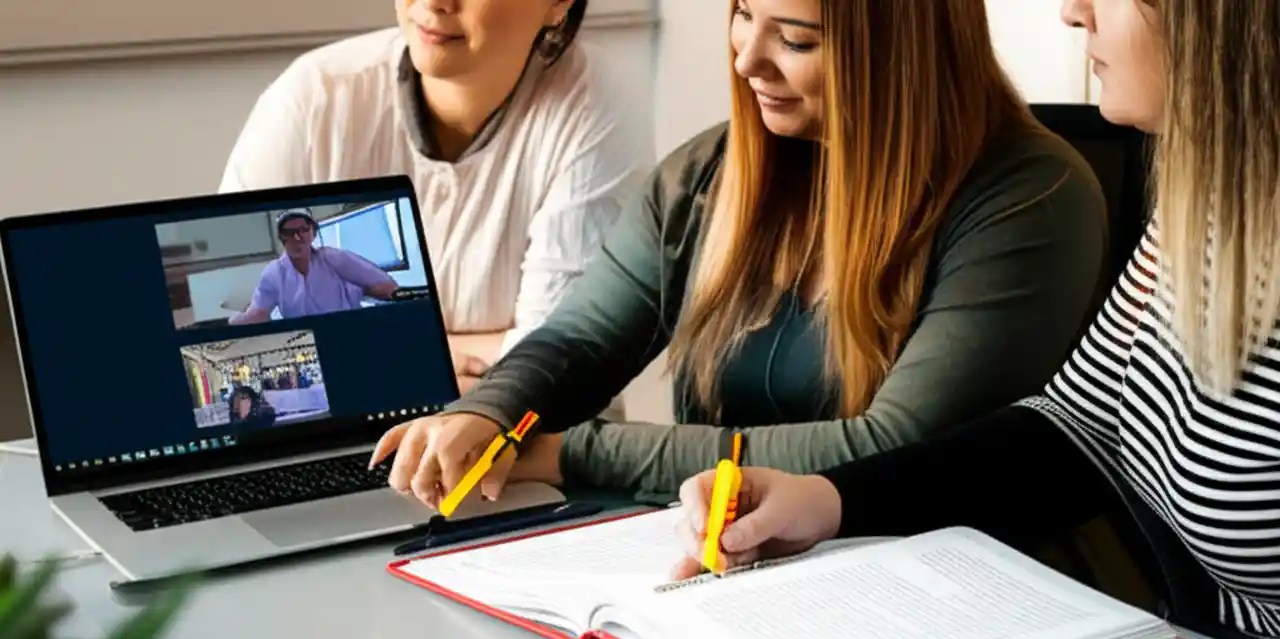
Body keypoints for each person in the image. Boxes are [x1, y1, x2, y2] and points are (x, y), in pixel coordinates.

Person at [668, 0, 1280, 639]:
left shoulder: (1039, 188)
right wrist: (827, 502)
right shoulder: (1213, 208)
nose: (1075, 14)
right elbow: (1075, 428)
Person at [371, 0, 1113, 508]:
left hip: (925, 587)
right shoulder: (708, 176)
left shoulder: (1030, 199)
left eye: (796, 40)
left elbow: (895, 448)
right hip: (727, 562)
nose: (748, 60)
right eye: (742, 15)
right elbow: (582, 339)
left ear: (900, 54)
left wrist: (567, 453)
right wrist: (489, 412)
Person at [219, 0, 636, 391]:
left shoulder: (594, 102)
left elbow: (559, 359)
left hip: (527, 438)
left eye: (301, 231)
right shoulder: (314, 97)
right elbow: (251, 346)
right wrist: (446, 353)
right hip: (347, 429)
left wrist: (356, 349)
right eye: (289, 233)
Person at [229, 209, 400, 324]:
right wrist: (232, 323)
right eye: (289, 233)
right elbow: (258, 313)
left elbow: (387, 286)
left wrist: (366, 293)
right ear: (282, 238)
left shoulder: (334, 258)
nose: (298, 238)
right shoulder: (273, 274)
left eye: (303, 230)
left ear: (313, 232)